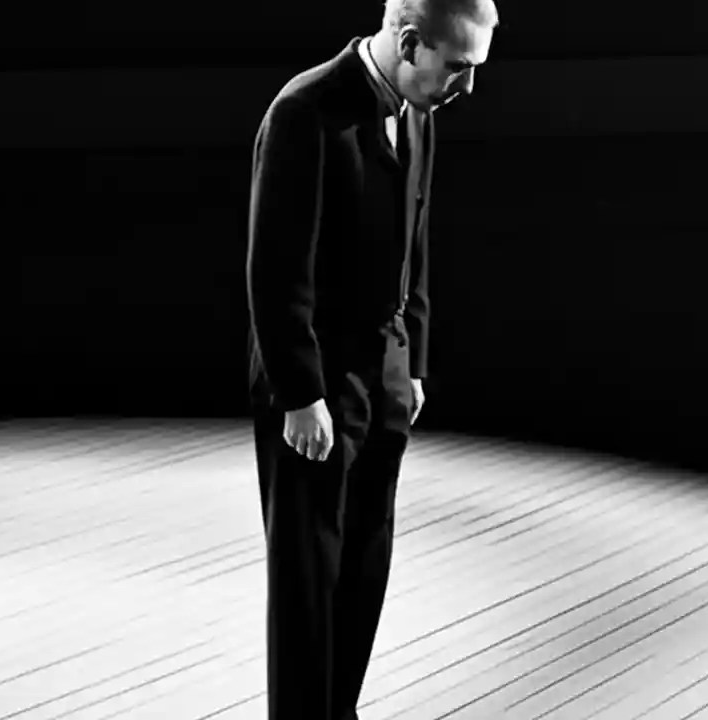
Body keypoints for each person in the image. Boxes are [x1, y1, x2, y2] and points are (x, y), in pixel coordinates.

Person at [245, 1, 497, 717]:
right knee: (307, 577)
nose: (467, 87)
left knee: (364, 565)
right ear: (409, 41)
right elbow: (274, 267)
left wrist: (411, 361)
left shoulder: (422, 111)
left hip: (384, 374)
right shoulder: (304, 111)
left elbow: (416, 243)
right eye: (458, 67)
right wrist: (299, 392)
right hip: (315, 383)